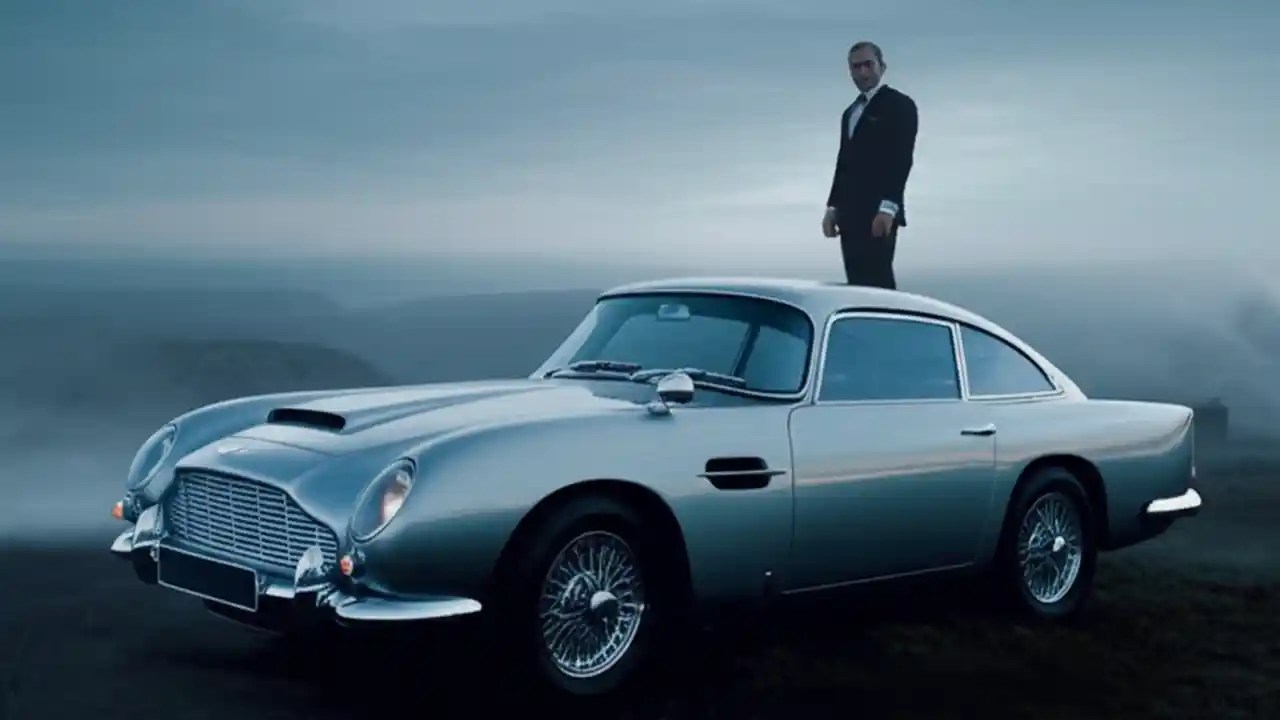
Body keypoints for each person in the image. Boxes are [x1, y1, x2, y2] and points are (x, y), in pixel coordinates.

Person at [821, 40, 918, 289]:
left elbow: (901, 158)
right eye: (856, 67)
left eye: (868, 65)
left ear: (882, 67)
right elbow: (843, 162)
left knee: (879, 284)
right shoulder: (850, 113)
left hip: (878, 212)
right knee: (857, 285)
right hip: (849, 212)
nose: (862, 72)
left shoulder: (899, 105)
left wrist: (888, 208)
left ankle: (890, 328)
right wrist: (832, 207)